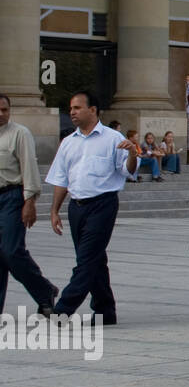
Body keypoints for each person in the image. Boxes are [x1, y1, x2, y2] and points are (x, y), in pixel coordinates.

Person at [46, 91, 139, 324]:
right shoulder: (68, 143)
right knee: (94, 259)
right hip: (77, 207)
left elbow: (128, 171)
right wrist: (54, 210)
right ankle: (105, 310)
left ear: (93, 110)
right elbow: (61, 179)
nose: (72, 113)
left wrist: (132, 153)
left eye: (77, 108)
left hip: (103, 205)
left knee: (86, 260)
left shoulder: (112, 138)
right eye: (71, 108)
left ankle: (63, 309)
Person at [0, 93, 57, 316]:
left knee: (12, 252)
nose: (1, 114)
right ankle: (45, 293)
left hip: (12, 197)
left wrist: (29, 201)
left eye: (5, 109)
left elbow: (30, 169)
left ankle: (44, 291)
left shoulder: (19, 133)